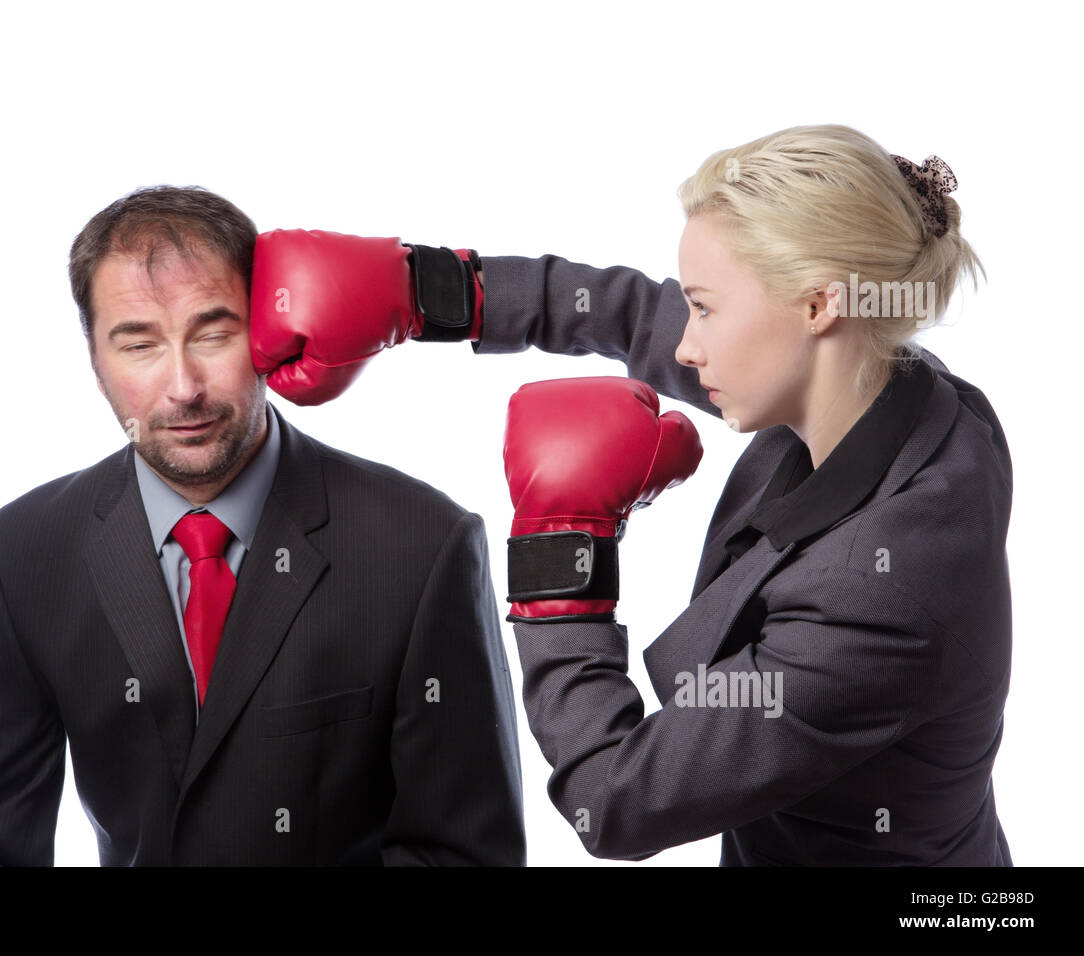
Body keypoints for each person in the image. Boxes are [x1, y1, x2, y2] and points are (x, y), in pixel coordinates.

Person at [249, 125, 1014, 865]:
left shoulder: (878, 601)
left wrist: (560, 554)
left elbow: (615, 799)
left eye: (708, 309)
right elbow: (637, 314)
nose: (685, 344)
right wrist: (427, 290)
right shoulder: (925, 405)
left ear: (817, 307)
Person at [0, 186, 526, 866]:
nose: (184, 386)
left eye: (213, 333)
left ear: (267, 332)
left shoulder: (421, 545)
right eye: (138, 344)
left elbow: (467, 856)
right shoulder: (27, 550)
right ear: (95, 361)